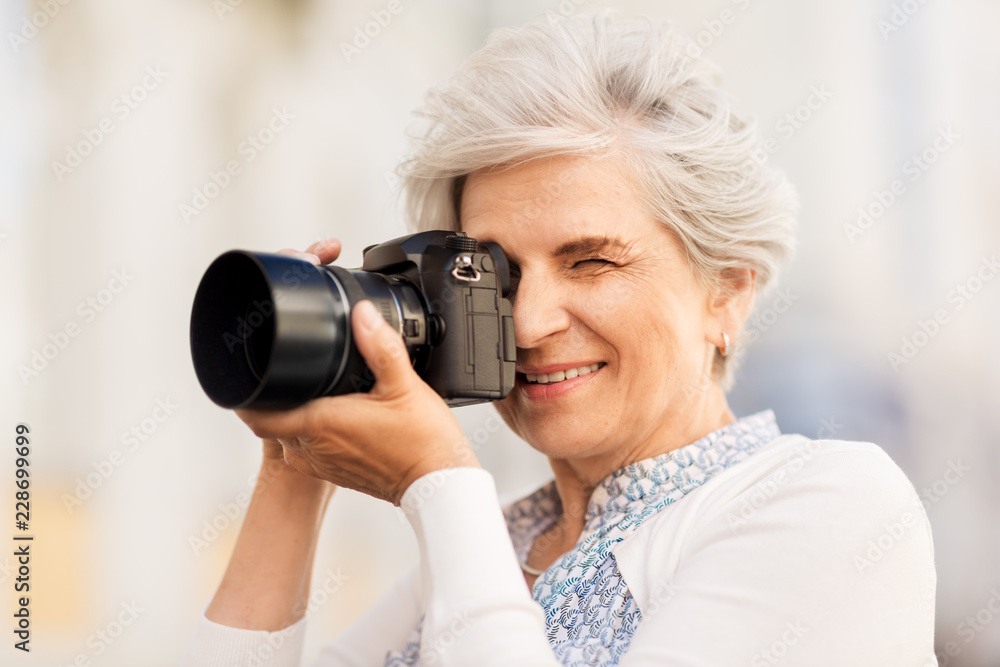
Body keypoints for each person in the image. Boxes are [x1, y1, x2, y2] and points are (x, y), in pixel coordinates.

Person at [183, 10, 936, 666]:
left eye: (592, 261)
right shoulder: (499, 540)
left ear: (726, 291)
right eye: (496, 275)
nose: (533, 321)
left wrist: (437, 479)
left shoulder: (832, 506)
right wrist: (293, 466)